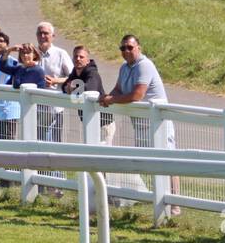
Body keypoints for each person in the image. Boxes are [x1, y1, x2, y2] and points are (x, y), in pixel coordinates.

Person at [101, 34, 180, 213]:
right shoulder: (124, 68)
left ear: (139, 48)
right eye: (123, 48)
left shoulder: (144, 65)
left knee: (169, 161)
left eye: (130, 47)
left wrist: (112, 99)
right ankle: (159, 199)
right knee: (151, 162)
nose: (126, 51)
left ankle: (174, 204)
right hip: (141, 123)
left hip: (157, 121)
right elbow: (119, 89)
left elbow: (137, 95)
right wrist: (107, 98)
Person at [63, 44, 116, 144]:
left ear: (87, 60)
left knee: (101, 154)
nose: (78, 59)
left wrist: (73, 88)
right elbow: (65, 85)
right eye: (75, 56)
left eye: (81, 57)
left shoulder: (93, 73)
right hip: (88, 120)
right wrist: (68, 88)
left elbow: (90, 89)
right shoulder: (75, 72)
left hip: (104, 123)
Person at [35, 21, 71, 142]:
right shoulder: (31, 53)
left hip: (54, 107)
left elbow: (73, 77)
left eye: (46, 33)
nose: (42, 36)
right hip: (35, 106)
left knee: (53, 143)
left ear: (53, 36)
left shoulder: (61, 54)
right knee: (36, 142)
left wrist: (55, 80)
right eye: (40, 33)